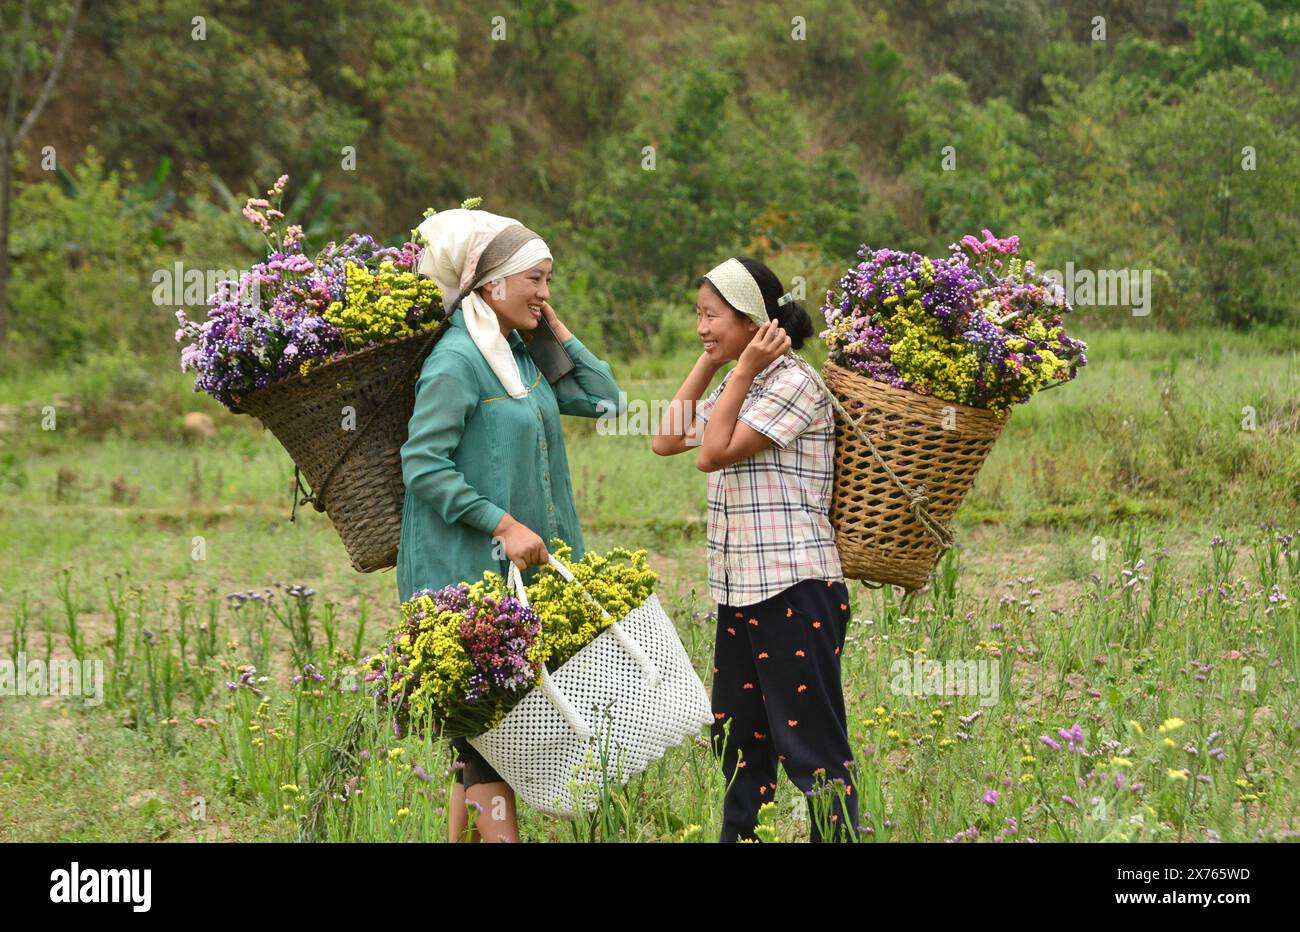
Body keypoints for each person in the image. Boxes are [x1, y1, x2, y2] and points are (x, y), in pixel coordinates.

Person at [397, 207, 622, 842]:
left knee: (486, 744)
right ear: (492, 284)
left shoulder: (522, 355)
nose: (546, 293)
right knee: (491, 741)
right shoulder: (457, 362)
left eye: (549, 281)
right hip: (463, 579)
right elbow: (422, 464)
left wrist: (557, 333)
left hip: (520, 577)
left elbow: (607, 399)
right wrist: (501, 524)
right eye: (537, 280)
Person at [651, 256, 860, 842]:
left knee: (812, 750)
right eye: (698, 316)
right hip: (740, 590)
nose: (702, 328)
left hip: (794, 585)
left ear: (753, 320)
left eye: (712, 317)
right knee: (740, 747)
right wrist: (716, 362)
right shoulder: (738, 377)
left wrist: (740, 369)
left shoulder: (792, 382)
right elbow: (667, 439)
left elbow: (710, 453)